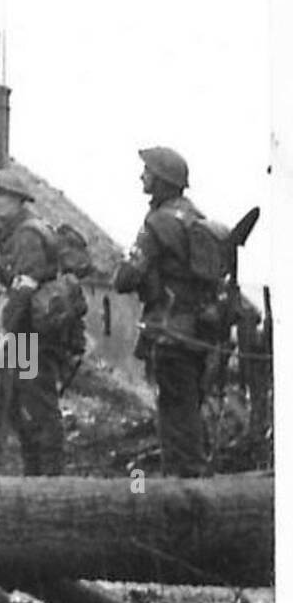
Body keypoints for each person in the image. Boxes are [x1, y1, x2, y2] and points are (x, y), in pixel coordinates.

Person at [113, 146, 212, 477]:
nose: (142, 176)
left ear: (162, 181)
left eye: (148, 171)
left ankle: (182, 493)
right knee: (189, 409)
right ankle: (196, 482)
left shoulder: (159, 223)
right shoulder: (195, 217)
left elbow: (126, 278)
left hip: (168, 332)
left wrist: (126, 266)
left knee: (172, 414)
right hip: (197, 333)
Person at [0, 168, 65, 477]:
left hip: (29, 336)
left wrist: (7, 328)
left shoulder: (28, 235)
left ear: (19, 201)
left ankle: (50, 476)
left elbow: (25, 285)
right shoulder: (18, 233)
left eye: (2, 195)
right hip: (25, 334)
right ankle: (35, 473)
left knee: (37, 404)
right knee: (16, 403)